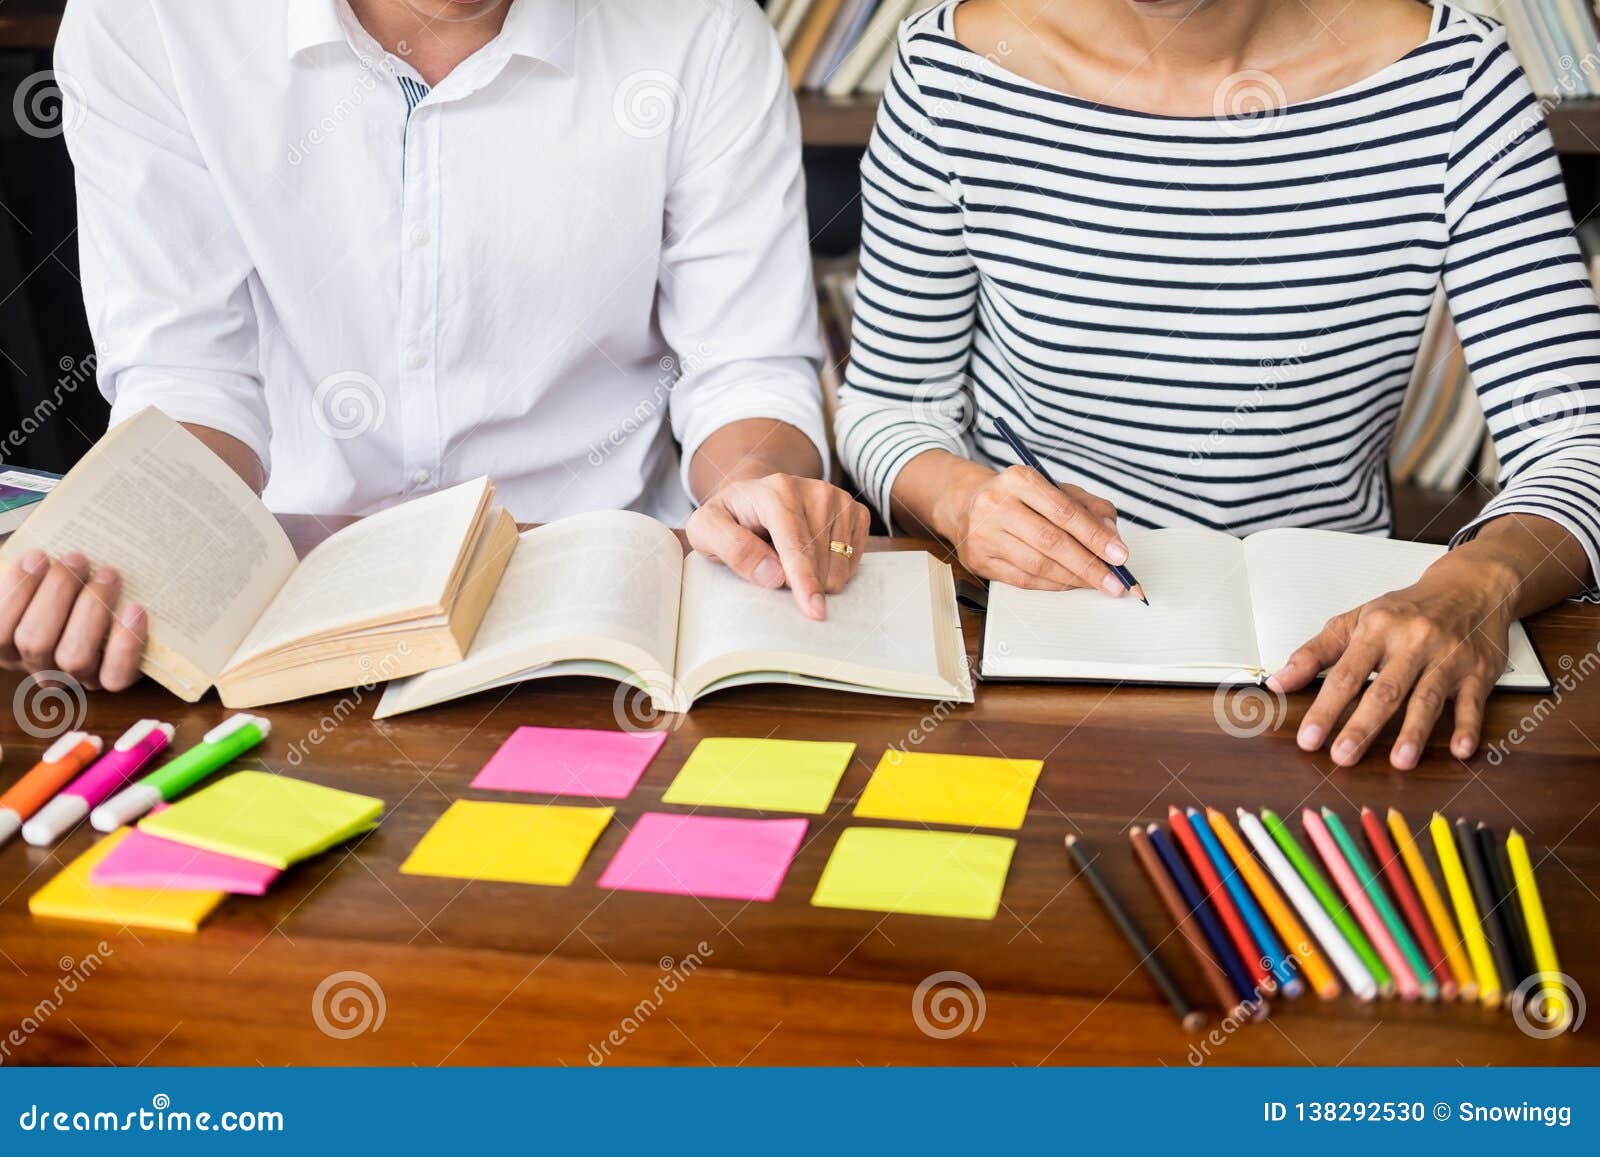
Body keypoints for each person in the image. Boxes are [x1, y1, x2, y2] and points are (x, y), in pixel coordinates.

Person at [0, 0, 869, 693]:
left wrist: (759, 490)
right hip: (285, 612)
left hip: (594, 609)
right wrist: (129, 552)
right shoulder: (150, 21)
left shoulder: (705, 29)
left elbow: (745, 366)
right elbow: (189, 379)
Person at [835, 0, 1600, 769]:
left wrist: (1481, 579)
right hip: (1039, 659)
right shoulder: (949, 72)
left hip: (1338, 671)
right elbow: (889, 405)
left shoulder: (1456, 79)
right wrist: (965, 504)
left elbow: (1578, 438)